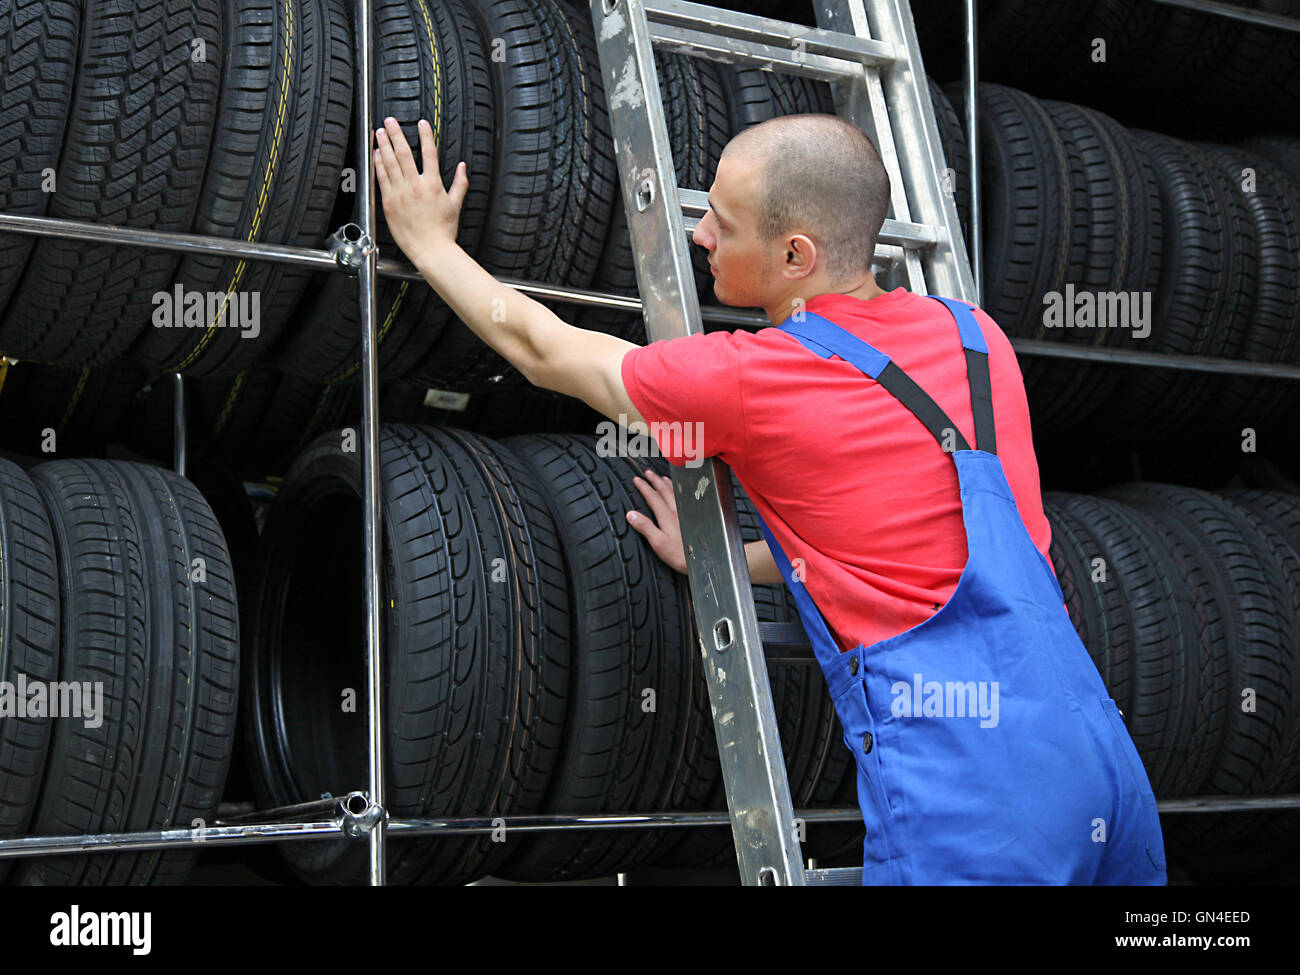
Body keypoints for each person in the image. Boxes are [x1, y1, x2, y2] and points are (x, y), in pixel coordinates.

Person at [372, 111, 1166, 885]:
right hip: (1100, 766)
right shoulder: (975, 337)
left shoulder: (751, 379)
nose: (699, 236)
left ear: (795, 253)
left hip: (976, 801)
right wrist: (730, 556)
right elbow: (913, 544)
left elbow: (541, 350)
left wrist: (429, 244)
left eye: (724, 222)